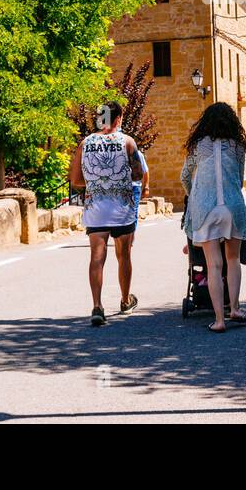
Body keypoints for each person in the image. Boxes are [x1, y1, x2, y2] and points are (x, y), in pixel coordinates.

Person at [68, 101, 144, 326]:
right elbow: (138, 174)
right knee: (124, 256)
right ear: (119, 118)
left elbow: (75, 180)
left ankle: (97, 306)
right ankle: (125, 300)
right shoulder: (127, 142)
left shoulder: (85, 143)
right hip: (121, 208)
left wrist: (96, 182)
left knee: (97, 258)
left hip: (96, 209)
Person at [180, 102, 246, 334]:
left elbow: (184, 177)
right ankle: (235, 309)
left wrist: (195, 195)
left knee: (213, 265)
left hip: (205, 208)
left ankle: (219, 320)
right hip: (233, 206)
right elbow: (239, 179)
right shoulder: (238, 145)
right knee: (233, 261)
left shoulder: (198, 146)